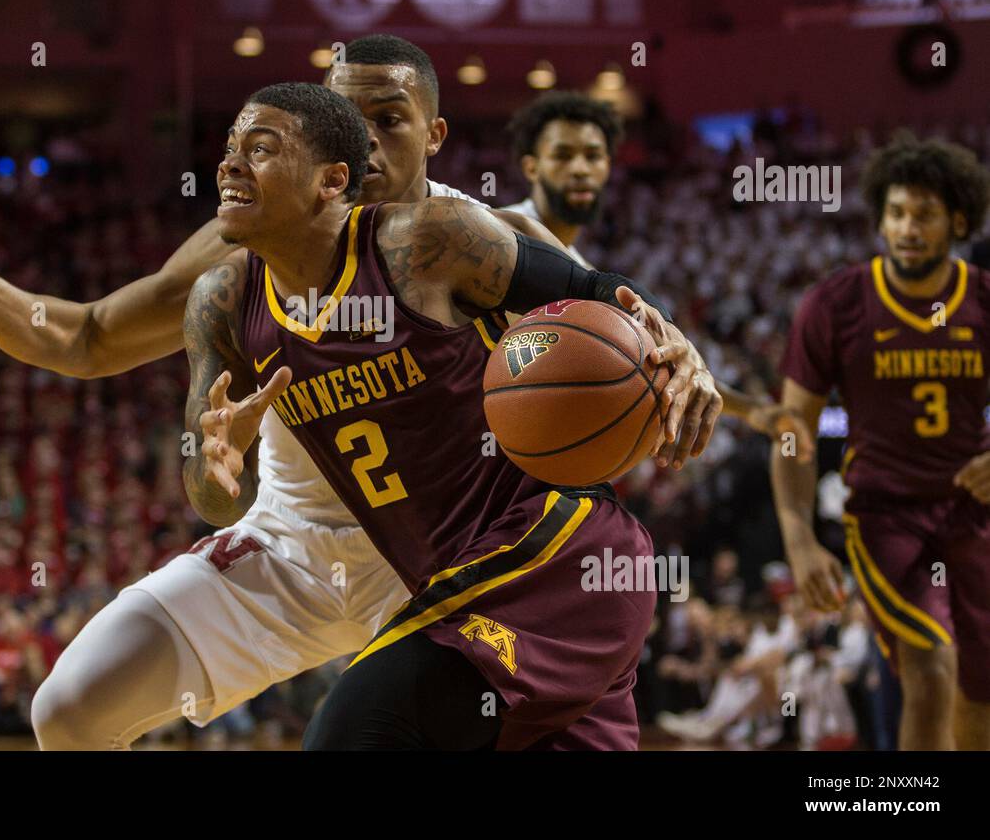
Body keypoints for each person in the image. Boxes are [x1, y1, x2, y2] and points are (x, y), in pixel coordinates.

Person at [0, 36, 716, 749]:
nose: (364, 143)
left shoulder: (465, 238)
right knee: (71, 709)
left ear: (436, 135)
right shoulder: (237, 266)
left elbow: (615, 318)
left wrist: (681, 354)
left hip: (448, 558)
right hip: (294, 545)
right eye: (344, 120)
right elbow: (87, 338)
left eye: (388, 121)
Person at [183, 81, 723, 749]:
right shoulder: (221, 302)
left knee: (350, 734)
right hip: (455, 587)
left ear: (331, 180)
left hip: (554, 553)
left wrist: (679, 347)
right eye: (230, 147)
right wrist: (217, 468)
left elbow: (594, 290)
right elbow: (210, 499)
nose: (230, 163)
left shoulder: (426, 242)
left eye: (258, 148)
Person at [772, 134, 990, 749]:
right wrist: (798, 539)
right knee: (931, 670)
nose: (907, 228)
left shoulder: (983, 300)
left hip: (973, 516)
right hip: (884, 516)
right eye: (896, 214)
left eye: (924, 215)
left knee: (980, 692)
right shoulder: (836, 305)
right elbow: (793, 432)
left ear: (959, 220)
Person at [502, 90, 813, 456]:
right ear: (531, 167)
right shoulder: (499, 238)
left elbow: (662, 359)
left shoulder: (583, 272)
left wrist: (757, 412)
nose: (581, 169)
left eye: (593, 156)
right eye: (563, 155)